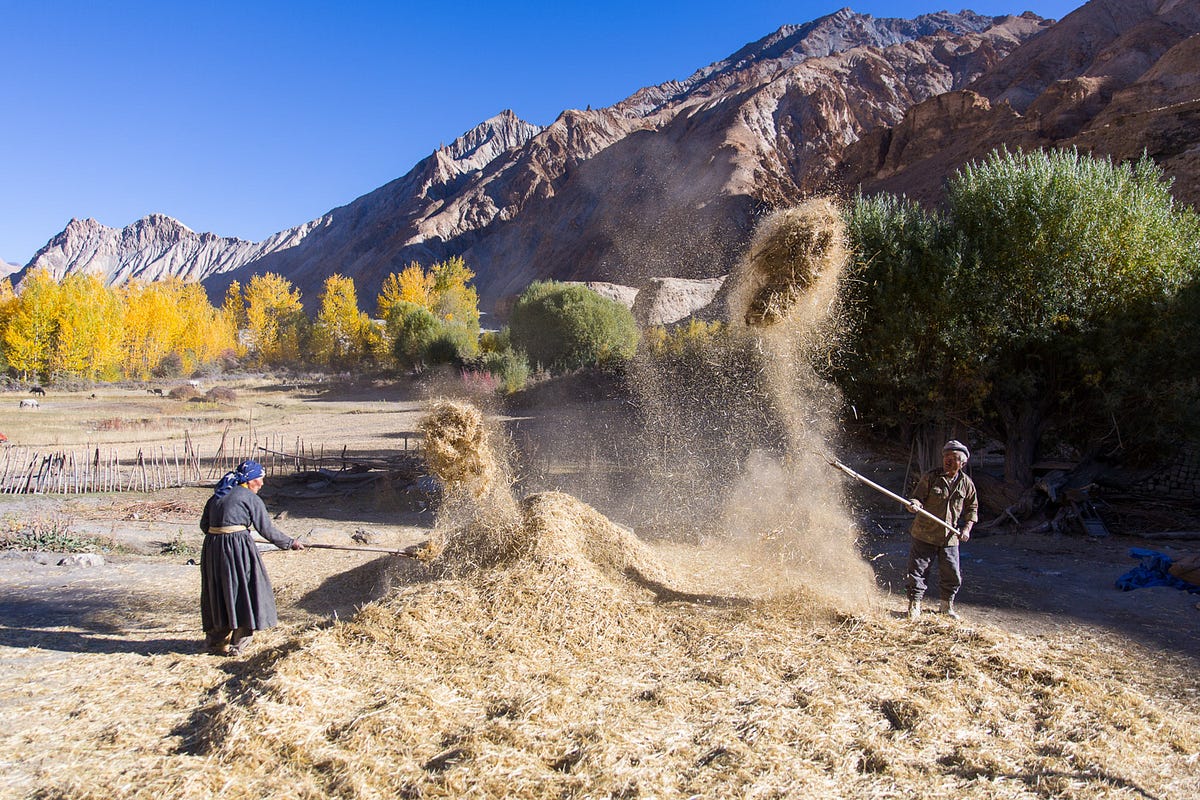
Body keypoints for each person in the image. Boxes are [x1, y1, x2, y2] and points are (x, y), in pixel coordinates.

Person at [199, 459, 304, 655]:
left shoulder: (217, 495)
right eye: (260, 479)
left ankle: (214, 641)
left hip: (213, 550)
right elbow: (266, 529)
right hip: (237, 550)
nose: (262, 484)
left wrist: (220, 535)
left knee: (219, 591)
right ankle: (238, 645)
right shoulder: (249, 498)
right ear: (249, 480)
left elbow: (204, 526)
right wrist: (291, 543)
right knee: (244, 589)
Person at [903, 440, 978, 620]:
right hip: (924, 534)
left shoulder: (967, 484)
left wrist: (967, 529)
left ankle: (946, 606)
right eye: (946, 457)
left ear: (963, 463)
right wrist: (914, 504)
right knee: (918, 572)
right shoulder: (931, 477)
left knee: (952, 573)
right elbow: (917, 498)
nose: (948, 461)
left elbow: (972, 509)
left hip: (949, 537)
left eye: (954, 458)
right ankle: (915, 606)